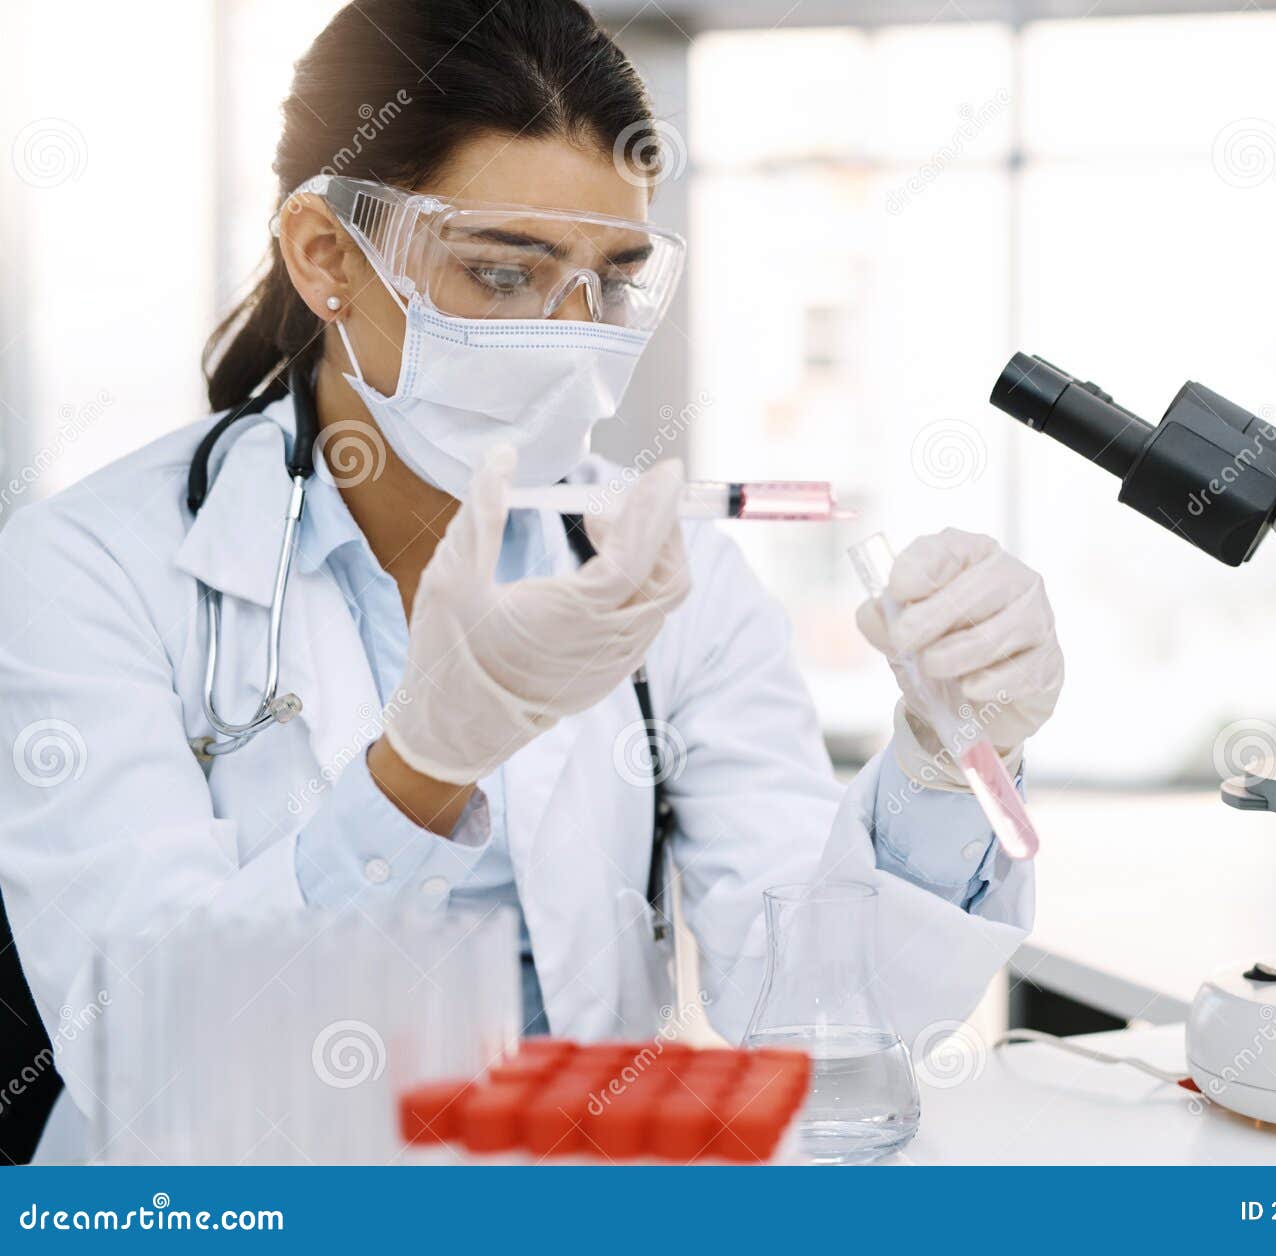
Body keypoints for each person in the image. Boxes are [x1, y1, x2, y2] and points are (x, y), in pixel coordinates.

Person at [0, 0, 1064, 1161]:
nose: (571, 334)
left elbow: (814, 1008)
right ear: (325, 257)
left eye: (612, 279)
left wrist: (942, 764)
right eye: (503, 274)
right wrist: (421, 771)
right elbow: (155, 1063)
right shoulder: (89, 567)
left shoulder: (668, 576)